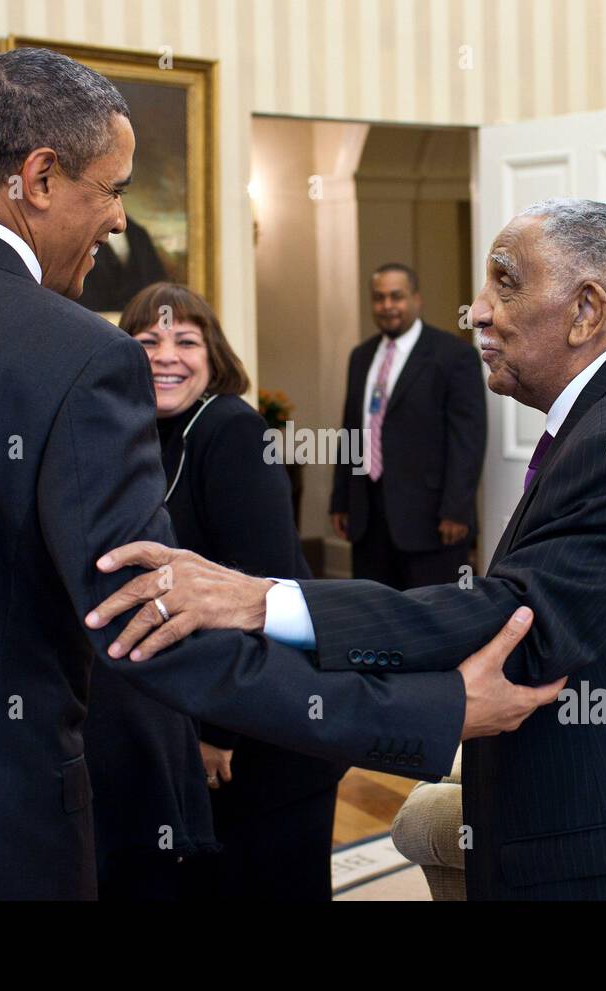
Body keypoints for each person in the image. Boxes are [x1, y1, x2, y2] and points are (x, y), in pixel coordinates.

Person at [0, 47, 555, 900]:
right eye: (111, 188)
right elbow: (151, 629)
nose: (117, 220)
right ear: (39, 178)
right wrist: (434, 707)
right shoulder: (77, 355)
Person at [88, 198, 606, 901]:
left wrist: (260, 597)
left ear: (587, 310)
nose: (475, 310)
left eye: (505, 280)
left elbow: (516, 628)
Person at [117, 281, 346, 901]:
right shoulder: (148, 435)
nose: (166, 355)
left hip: (265, 727)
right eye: (147, 341)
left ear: (214, 357)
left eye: (185, 341)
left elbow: (269, 587)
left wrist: (222, 732)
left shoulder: (232, 431)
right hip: (211, 706)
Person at [330, 264, 485, 589]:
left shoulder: (454, 355)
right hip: (367, 517)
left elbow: (467, 439)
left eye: (396, 297)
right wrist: (341, 500)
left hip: (431, 520)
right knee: (374, 612)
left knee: (430, 618)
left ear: (416, 299)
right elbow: (351, 430)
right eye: (379, 298)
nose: (387, 306)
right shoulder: (361, 356)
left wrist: (457, 509)